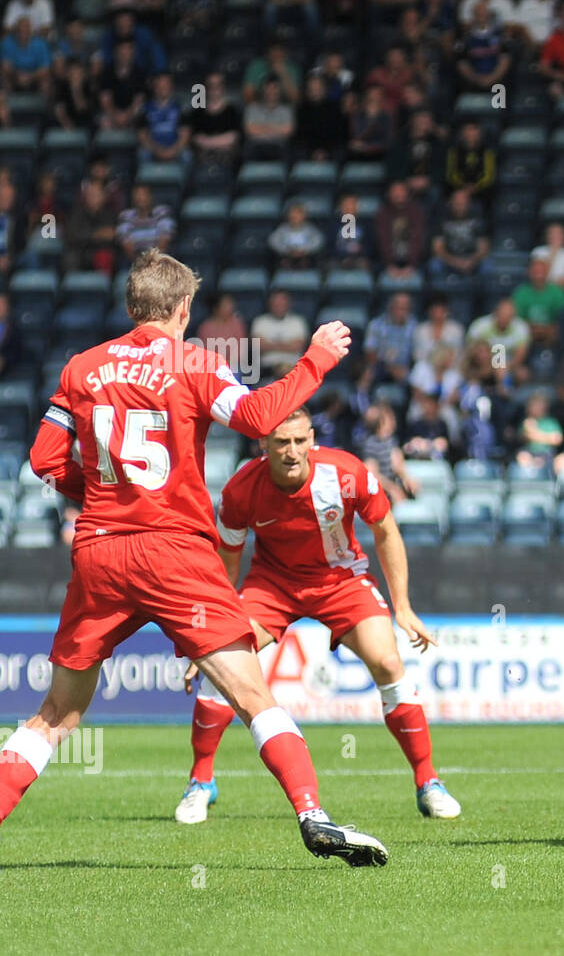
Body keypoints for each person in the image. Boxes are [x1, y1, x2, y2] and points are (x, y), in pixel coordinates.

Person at [5, 250, 387, 866]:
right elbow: (262, 415)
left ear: (132, 307)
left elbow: (45, 459)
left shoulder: (81, 367)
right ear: (184, 309)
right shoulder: (194, 364)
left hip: (100, 551)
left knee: (55, 715)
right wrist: (317, 357)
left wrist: (104, 493)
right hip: (174, 552)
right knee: (251, 696)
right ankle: (313, 815)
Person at [174, 410, 456, 825]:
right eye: (281, 443)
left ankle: (428, 782)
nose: (291, 453)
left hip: (341, 580)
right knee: (222, 667)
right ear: (263, 445)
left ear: (312, 439)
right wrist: (214, 633)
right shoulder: (240, 490)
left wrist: (403, 607)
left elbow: (386, 531)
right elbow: (226, 565)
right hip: (272, 585)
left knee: (388, 662)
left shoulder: (346, 473)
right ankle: (200, 782)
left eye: (299, 442)